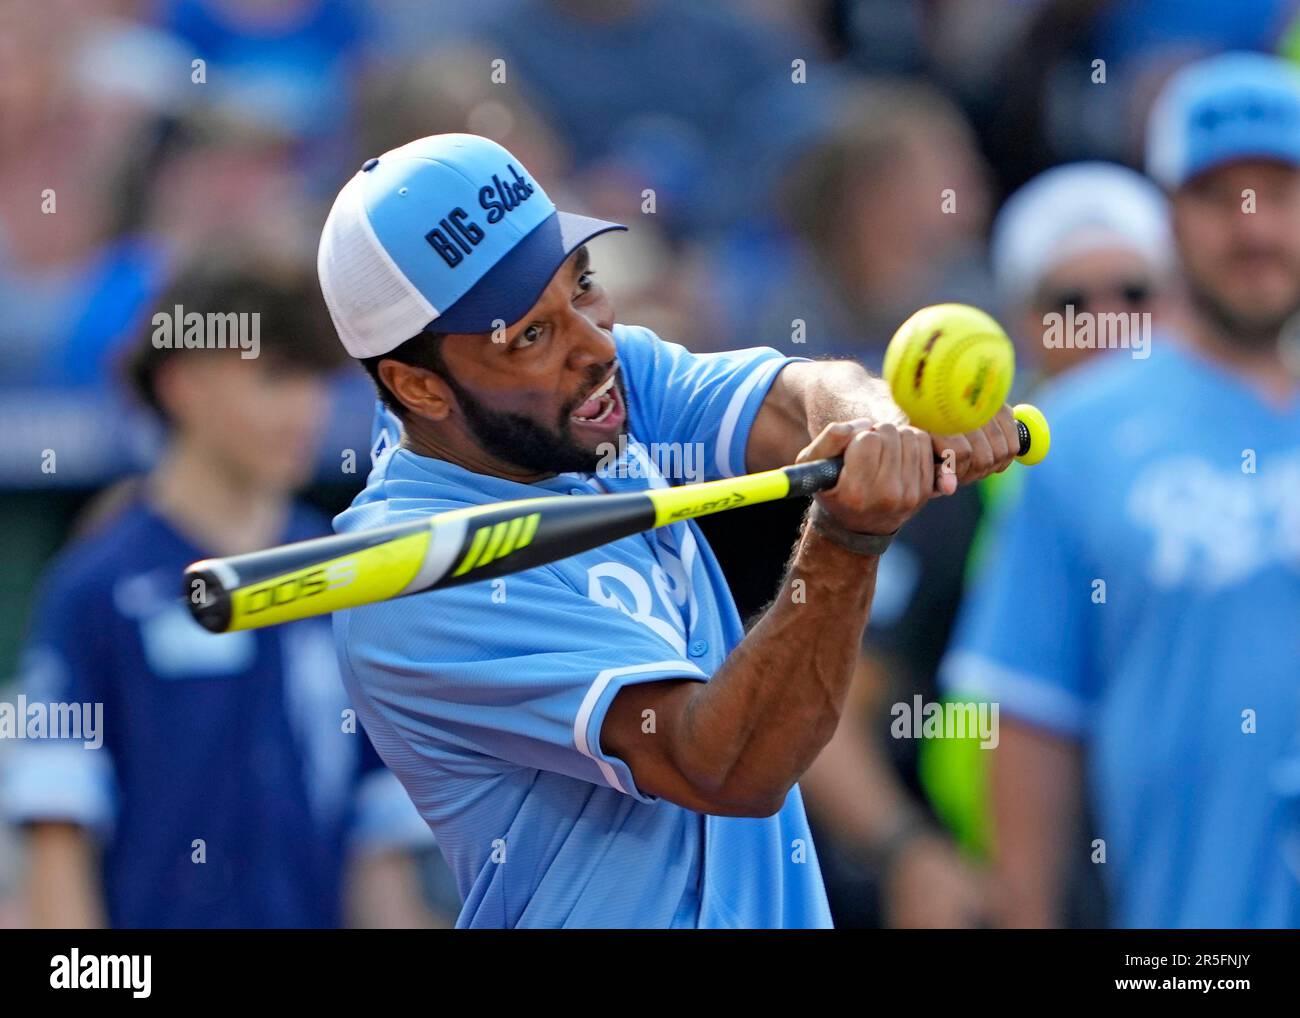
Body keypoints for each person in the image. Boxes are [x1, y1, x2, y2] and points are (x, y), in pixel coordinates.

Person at [316, 132, 1021, 928]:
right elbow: (723, 764)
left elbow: (792, 398)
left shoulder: (596, 391)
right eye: (531, 336)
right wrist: (847, 543)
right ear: (419, 386)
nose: (593, 344)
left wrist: (877, 418)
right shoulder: (418, 578)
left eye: (582, 286)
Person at [940, 51, 1300, 928]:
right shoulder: (1076, 433)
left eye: (1280, 195)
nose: (1254, 231)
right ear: (1167, 217)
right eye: (1217, 199)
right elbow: (1028, 713)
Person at [2, 254, 440, 928]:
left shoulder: (351, 579)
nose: (306, 408)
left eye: (316, 379)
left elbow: (376, 851)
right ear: (183, 384)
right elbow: (59, 843)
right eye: (274, 377)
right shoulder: (98, 589)